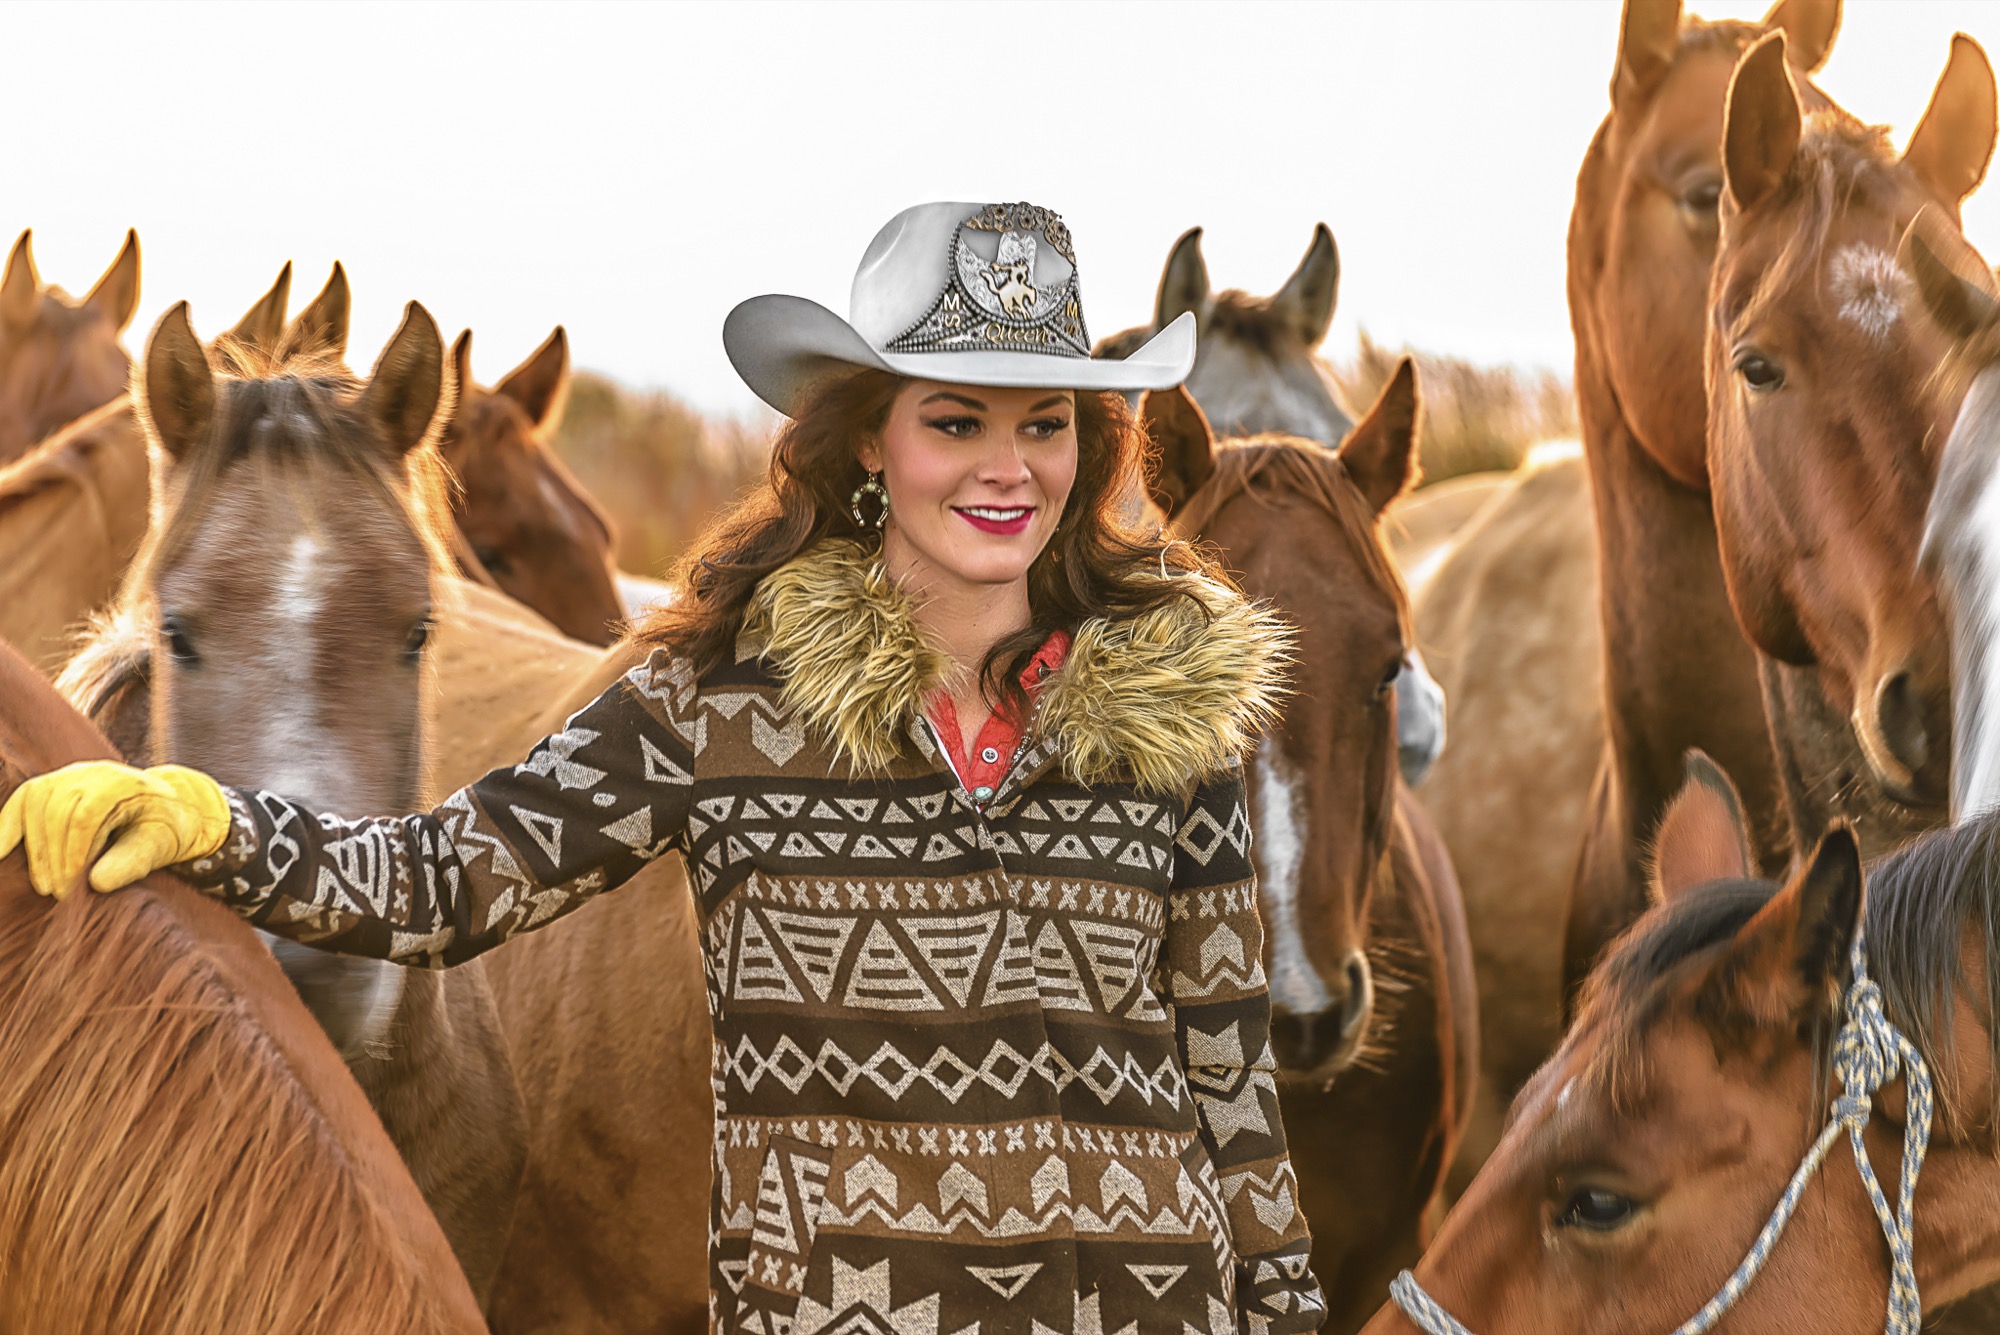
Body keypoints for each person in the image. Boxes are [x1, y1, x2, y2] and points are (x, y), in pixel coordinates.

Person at [0, 201, 1326, 1334]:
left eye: (1046, 424)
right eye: (957, 420)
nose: (1005, 466)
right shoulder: (725, 699)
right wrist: (212, 825)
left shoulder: (1174, 717)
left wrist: (1277, 1303)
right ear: (873, 441)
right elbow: (455, 880)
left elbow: (1225, 1073)